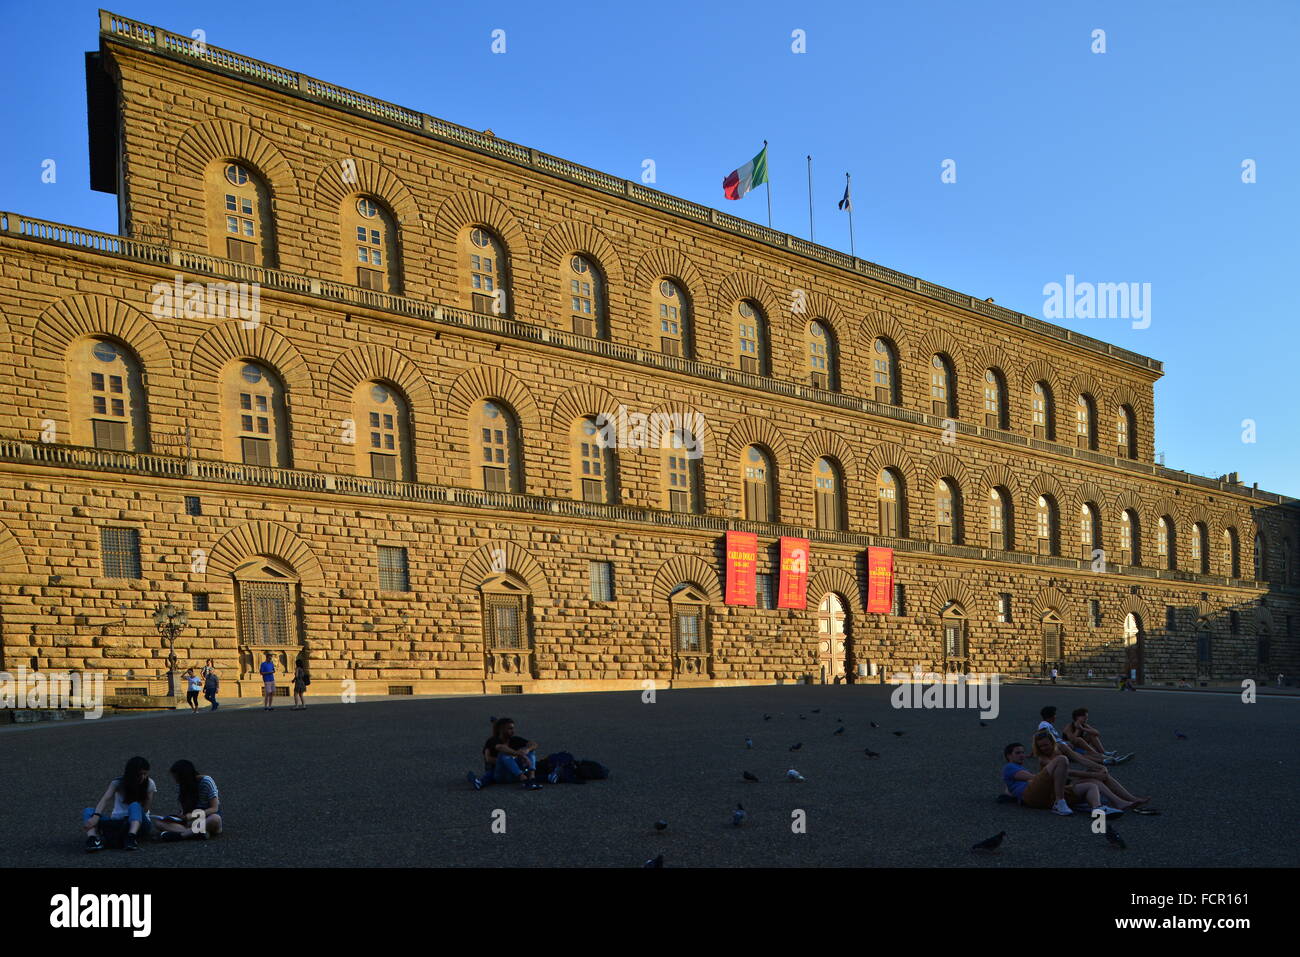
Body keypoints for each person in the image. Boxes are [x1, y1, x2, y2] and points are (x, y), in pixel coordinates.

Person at [1027, 732, 1130, 815]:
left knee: (1102, 775)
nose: (1043, 748)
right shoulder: (1042, 758)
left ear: (1052, 742)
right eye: (1040, 746)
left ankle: (1128, 799)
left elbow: (1079, 758)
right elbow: (1067, 772)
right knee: (1094, 780)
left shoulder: (1061, 747)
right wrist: (1094, 775)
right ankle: (1119, 802)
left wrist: (1100, 767)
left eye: (1046, 745)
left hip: (1068, 781)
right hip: (1057, 787)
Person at [83, 756, 156, 851]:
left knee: (134, 805)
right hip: (119, 822)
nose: (143, 777)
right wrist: (95, 817)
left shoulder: (149, 784)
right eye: (139, 774)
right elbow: (105, 799)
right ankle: (92, 839)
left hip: (140, 824)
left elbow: (145, 809)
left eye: (145, 774)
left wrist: (145, 795)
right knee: (88, 811)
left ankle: (131, 837)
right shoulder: (118, 782)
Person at [1001, 740, 1074, 816]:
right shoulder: (1009, 767)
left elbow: (1009, 789)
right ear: (1009, 756)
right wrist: (1055, 776)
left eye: (1023, 752)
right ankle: (1060, 801)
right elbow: (1034, 778)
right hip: (1029, 794)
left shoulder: (1019, 768)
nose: (1022, 755)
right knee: (1061, 759)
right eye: (1018, 753)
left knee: (1084, 786)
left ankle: (1081, 803)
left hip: (1039, 796)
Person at [154, 760, 222, 841]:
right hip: (192, 822)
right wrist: (182, 814)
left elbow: (214, 808)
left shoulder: (206, 781)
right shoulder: (182, 785)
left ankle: (181, 835)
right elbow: (185, 809)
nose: (176, 782)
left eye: (177, 778)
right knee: (158, 822)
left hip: (207, 819)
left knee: (216, 819)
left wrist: (193, 815)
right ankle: (194, 834)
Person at [468, 717, 542, 790]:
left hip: (513, 773)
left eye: (513, 728)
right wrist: (518, 755)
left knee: (531, 751)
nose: (513, 731)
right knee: (504, 755)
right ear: (501, 730)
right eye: (510, 729)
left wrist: (527, 749)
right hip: (500, 774)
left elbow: (534, 744)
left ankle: (532, 779)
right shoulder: (492, 741)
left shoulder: (515, 740)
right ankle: (524, 779)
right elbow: (490, 757)